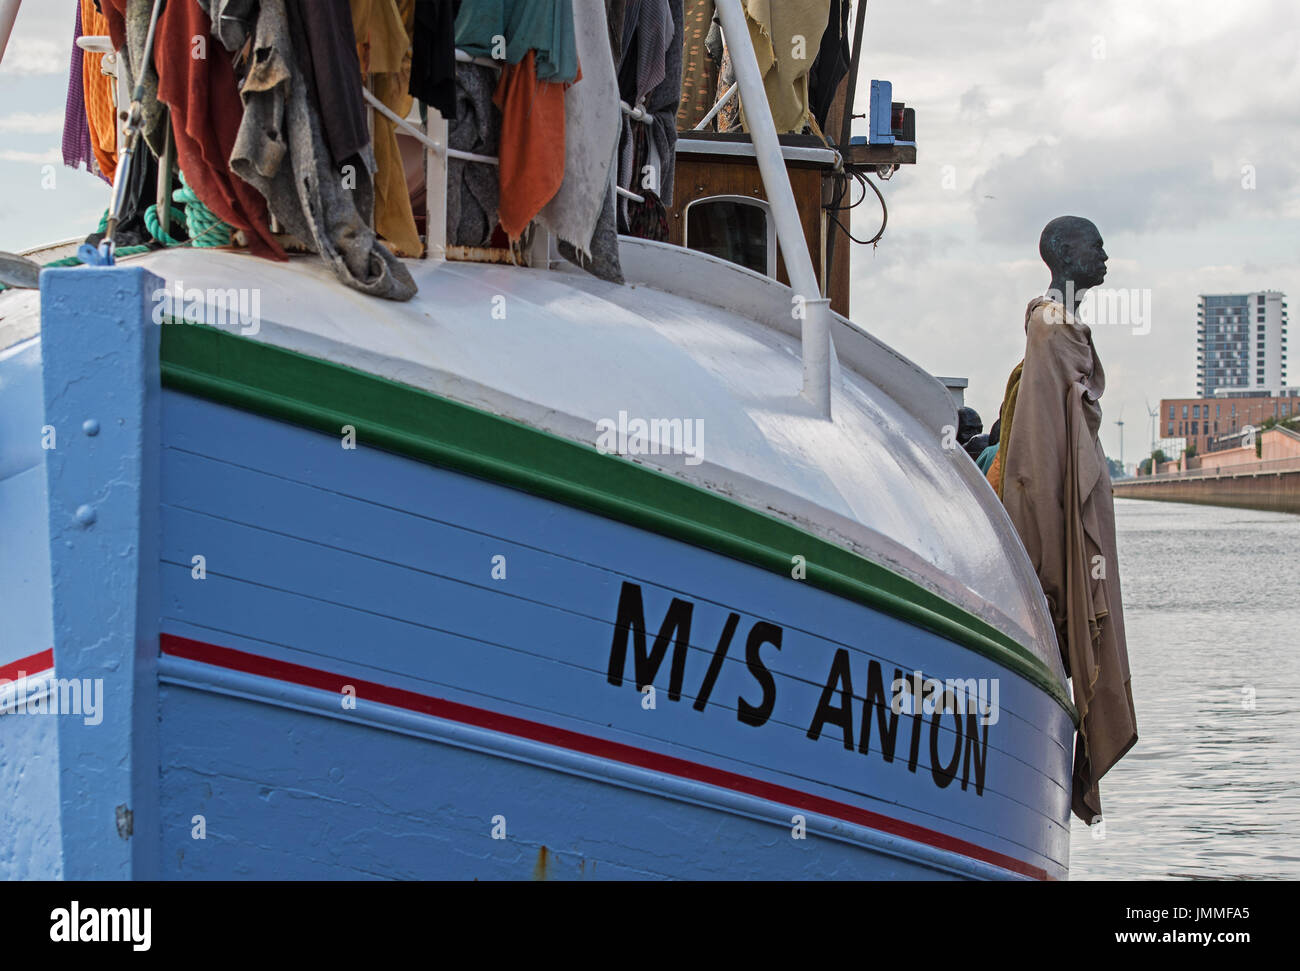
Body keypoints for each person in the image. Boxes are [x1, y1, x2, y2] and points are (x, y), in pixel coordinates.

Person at [988, 215, 1138, 825]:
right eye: (1096, 245)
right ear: (1065, 254)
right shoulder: (1051, 333)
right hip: (1053, 521)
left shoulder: (1061, 331)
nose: (1106, 255)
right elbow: (1041, 462)